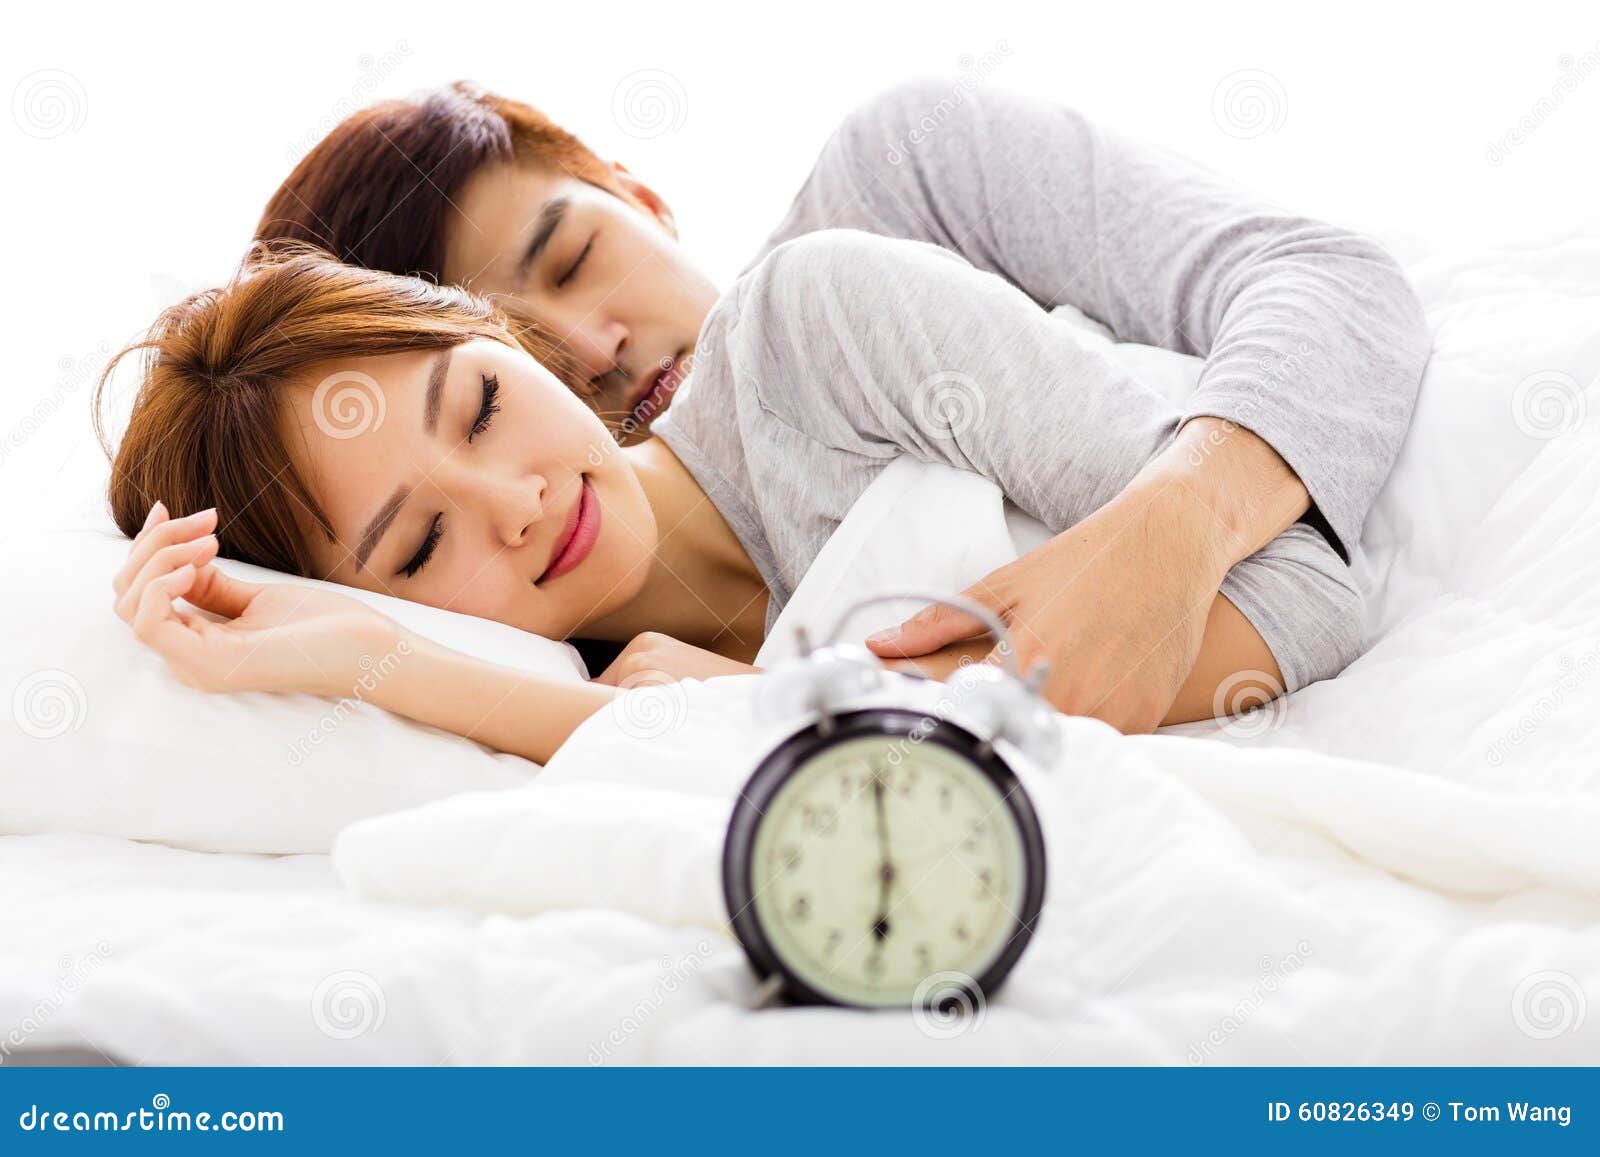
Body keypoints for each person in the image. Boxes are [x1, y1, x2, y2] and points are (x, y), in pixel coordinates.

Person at [250, 79, 1431, 731]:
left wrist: (1174, 525)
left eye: (567, 262)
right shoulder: (591, 633)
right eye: (524, 341)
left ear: (638, 194)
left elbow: (1332, 284)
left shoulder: (889, 204)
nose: (593, 353)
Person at [102, 231, 1365, 762]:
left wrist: (794, 702)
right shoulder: (611, 709)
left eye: (481, 404)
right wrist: (365, 656)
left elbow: (1308, 580)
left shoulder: (820, 329)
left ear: (509, 335)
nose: (519, 498)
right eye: (423, 542)